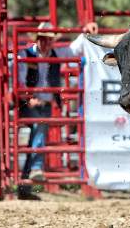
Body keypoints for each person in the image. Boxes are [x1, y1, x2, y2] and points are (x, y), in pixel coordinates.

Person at [17, 21, 98, 200]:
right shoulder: (25, 54)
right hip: (27, 104)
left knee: (36, 137)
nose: (46, 43)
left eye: (48, 40)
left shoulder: (55, 53)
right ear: (37, 39)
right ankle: (36, 169)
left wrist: (86, 31)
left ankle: (24, 186)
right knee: (40, 128)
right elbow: (20, 80)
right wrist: (29, 98)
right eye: (43, 39)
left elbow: (76, 48)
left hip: (44, 104)